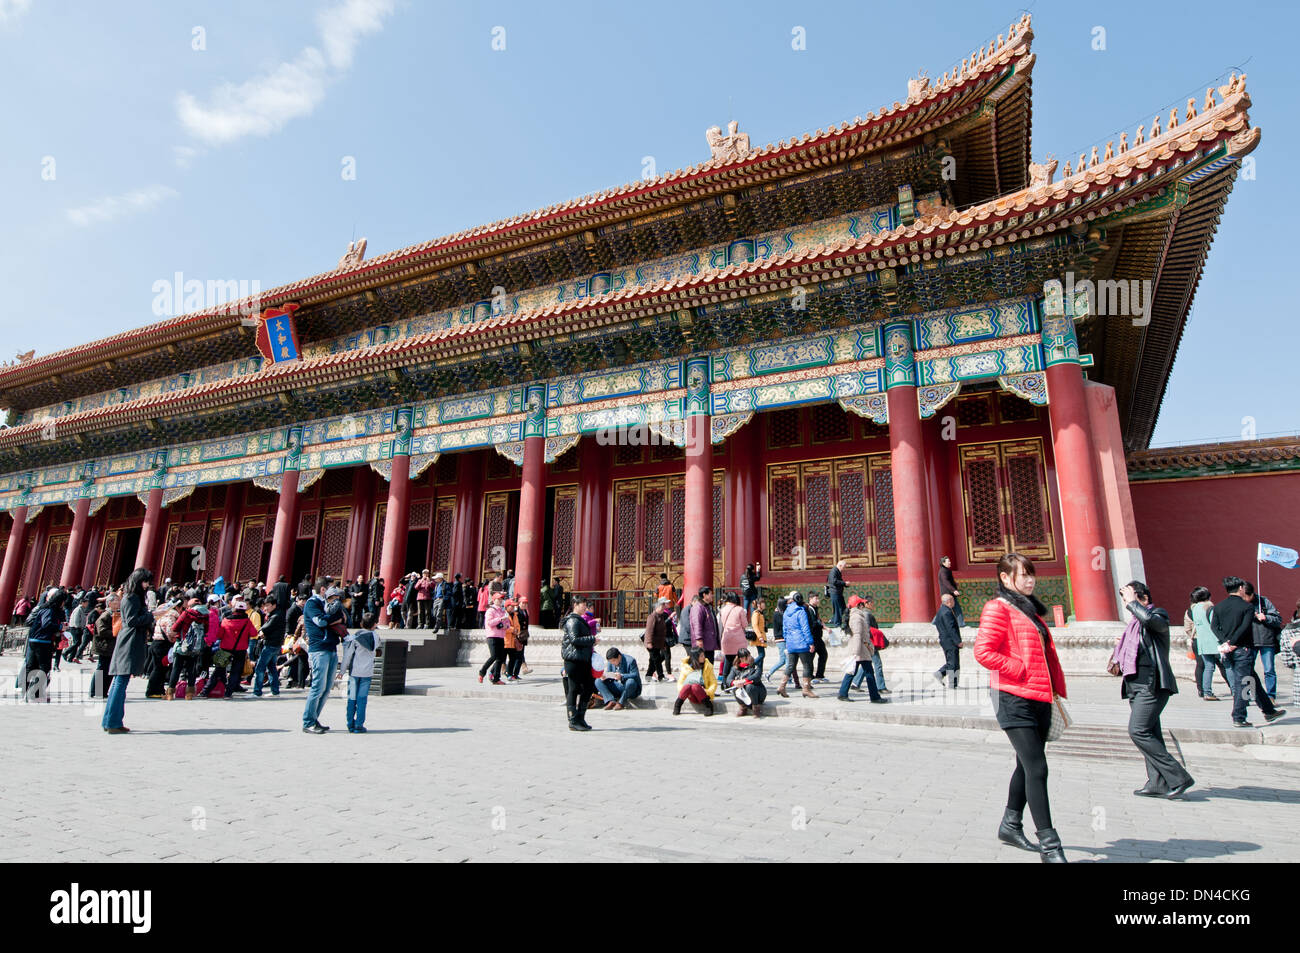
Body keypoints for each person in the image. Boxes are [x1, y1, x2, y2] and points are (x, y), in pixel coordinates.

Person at [974, 553, 1068, 863]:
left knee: (1025, 765)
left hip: (1039, 696)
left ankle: (1010, 825)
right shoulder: (997, 608)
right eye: (1022, 574)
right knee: (1038, 768)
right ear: (1004, 578)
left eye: (1031, 574)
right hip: (1012, 696)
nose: (1029, 580)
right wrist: (1019, 669)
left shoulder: (1030, 611)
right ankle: (1050, 845)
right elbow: (983, 652)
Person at [1114, 581, 1195, 799]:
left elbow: (1151, 622)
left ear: (1144, 599)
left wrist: (1132, 603)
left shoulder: (1158, 615)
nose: (1127, 605)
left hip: (1152, 684)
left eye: (1130, 599)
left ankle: (1178, 777)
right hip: (1135, 685)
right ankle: (1157, 782)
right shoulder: (1134, 625)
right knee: (1151, 733)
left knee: (1138, 730)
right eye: (1125, 601)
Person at [1212, 576, 1286, 729]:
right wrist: (1233, 643)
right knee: (1244, 683)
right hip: (1243, 649)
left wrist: (1225, 642)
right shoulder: (1246, 607)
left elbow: (1214, 627)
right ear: (1240, 589)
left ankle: (1268, 710)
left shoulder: (1218, 607)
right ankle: (1239, 716)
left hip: (1229, 650)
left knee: (1253, 681)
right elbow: (1245, 627)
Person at [103, 568, 154, 733]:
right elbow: (132, 620)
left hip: (128, 639)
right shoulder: (132, 597)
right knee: (121, 682)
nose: (147, 585)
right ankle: (113, 722)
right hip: (130, 640)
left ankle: (110, 721)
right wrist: (152, 615)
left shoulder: (130, 596)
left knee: (119, 681)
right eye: (146, 581)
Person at [302, 582, 346, 734]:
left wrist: (337, 618)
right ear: (323, 589)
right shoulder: (312, 604)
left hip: (331, 647)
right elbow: (320, 622)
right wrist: (336, 620)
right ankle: (308, 722)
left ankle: (314, 719)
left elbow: (345, 619)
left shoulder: (329, 605)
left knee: (327, 689)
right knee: (318, 686)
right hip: (319, 648)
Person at [19, 587, 68, 701]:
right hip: (42, 641)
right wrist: (61, 627)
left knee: (31, 667)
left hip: (34, 640)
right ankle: (32, 692)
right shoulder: (49, 610)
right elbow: (46, 624)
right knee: (44, 668)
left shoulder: (43, 608)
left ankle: (27, 693)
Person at [204, 598, 257, 698]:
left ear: (234, 609)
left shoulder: (226, 620)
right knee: (235, 672)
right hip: (240, 650)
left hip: (225, 648)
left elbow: (219, 635)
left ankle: (205, 691)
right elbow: (254, 633)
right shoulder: (247, 622)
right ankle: (228, 693)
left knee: (218, 670)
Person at [1185, 586, 1229, 700]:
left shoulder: (1191, 610)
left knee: (1204, 666)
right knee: (1225, 666)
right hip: (1214, 641)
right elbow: (1216, 625)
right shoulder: (1209, 607)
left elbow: (1187, 628)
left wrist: (1193, 636)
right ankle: (1234, 689)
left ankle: (1204, 691)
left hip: (1199, 641)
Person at [839, 595, 885, 702]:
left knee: (853, 672)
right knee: (867, 673)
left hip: (861, 649)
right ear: (858, 605)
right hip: (860, 649)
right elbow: (857, 635)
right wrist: (856, 652)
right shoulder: (856, 617)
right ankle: (874, 697)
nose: (863, 605)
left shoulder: (857, 616)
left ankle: (843, 693)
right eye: (862, 603)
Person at [560, 596, 597, 731]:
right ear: (575, 604)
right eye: (583, 604)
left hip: (583, 658)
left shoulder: (580, 620)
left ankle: (580, 717)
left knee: (588, 687)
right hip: (573, 659)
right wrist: (592, 639)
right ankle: (572, 720)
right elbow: (575, 639)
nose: (585, 607)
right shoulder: (572, 621)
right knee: (574, 689)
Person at [342, 612, 381, 733]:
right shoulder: (376, 637)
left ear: (361, 623)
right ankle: (359, 724)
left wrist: (342, 669)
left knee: (352, 698)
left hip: (354, 672)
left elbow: (348, 655)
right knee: (362, 699)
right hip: (367, 672)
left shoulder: (355, 638)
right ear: (375, 625)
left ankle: (350, 723)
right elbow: (377, 649)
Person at [1245, 582, 1283, 701]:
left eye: (1246, 596)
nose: (1244, 599)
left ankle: (1271, 696)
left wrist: (1266, 617)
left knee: (1269, 670)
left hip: (1267, 640)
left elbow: (1278, 619)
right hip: (1250, 641)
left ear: (1251, 594)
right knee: (1247, 669)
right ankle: (1248, 695)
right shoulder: (1241, 604)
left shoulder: (1264, 602)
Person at [777, 591, 816, 699]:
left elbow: (784, 630)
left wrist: (788, 640)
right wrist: (810, 642)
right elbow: (805, 628)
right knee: (807, 665)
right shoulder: (801, 611)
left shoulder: (785, 612)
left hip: (791, 643)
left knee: (790, 665)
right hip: (802, 643)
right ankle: (806, 689)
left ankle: (782, 686)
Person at [849, 594, 890, 695]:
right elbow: (867, 630)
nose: (873, 605)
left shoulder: (863, 614)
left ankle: (855, 683)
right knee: (877, 664)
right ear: (866, 603)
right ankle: (881, 686)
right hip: (870, 643)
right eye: (871, 603)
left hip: (867, 643)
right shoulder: (866, 614)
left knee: (866, 663)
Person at [253, 597, 286, 696]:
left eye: (267, 605)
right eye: (265, 605)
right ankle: (275, 691)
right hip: (275, 644)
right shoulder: (276, 614)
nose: (265, 608)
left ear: (274, 605)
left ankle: (257, 692)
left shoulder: (275, 616)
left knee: (260, 668)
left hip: (271, 644)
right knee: (271, 668)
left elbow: (265, 628)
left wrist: (261, 632)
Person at [673, 646, 716, 716]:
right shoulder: (686, 668)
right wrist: (683, 691)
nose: (704, 657)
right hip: (690, 695)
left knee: (695, 686)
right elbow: (680, 683)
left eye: (703, 655)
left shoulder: (708, 666)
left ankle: (708, 706)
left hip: (704, 694)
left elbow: (713, 682)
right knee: (687, 686)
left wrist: (708, 691)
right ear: (696, 657)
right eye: (701, 656)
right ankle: (677, 705)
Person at [932, 593, 963, 689]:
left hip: (945, 640)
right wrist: (958, 641)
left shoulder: (942, 611)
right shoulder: (947, 612)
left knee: (953, 662)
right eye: (953, 600)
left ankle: (953, 683)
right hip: (950, 641)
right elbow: (951, 629)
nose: (954, 602)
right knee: (952, 662)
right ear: (949, 601)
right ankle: (944, 677)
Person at [479, 591, 509, 684]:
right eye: (498, 599)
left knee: (500, 658)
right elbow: (489, 623)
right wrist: (500, 619)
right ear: (494, 600)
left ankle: (496, 678)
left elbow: (508, 623)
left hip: (501, 636)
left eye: (501, 599)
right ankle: (482, 671)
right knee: (494, 656)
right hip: (492, 636)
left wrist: (505, 626)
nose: (500, 601)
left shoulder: (503, 611)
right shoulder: (490, 610)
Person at [718, 592, 748, 686]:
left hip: (727, 638)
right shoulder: (739, 609)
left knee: (727, 660)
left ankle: (724, 683)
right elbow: (745, 624)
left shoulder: (723, 610)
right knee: (740, 661)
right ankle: (738, 681)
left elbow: (722, 623)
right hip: (738, 639)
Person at [727, 647, 766, 716]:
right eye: (747, 657)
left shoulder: (755, 666)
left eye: (749, 655)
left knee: (749, 686)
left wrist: (744, 680)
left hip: (757, 692)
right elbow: (728, 680)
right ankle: (743, 707)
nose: (749, 658)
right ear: (741, 659)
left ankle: (756, 707)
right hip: (744, 695)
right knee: (736, 687)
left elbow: (757, 676)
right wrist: (735, 682)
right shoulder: (735, 668)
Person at [643, 597, 672, 681]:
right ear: (658, 606)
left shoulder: (662, 616)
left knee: (653, 660)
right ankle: (661, 676)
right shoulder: (652, 617)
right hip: (652, 643)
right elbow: (649, 630)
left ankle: (648, 675)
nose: (664, 607)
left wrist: (663, 644)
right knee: (657, 659)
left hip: (658, 643)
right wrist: (649, 642)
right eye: (663, 605)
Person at [690, 586, 719, 664]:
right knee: (702, 665)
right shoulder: (698, 607)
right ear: (704, 595)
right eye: (710, 594)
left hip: (709, 642)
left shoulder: (707, 606)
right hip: (703, 643)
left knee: (709, 665)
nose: (712, 595)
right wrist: (699, 639)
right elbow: (697, 624)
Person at [938, 556, 967, 628]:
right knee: (956, 608)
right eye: (948, 561)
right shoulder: (943, 571)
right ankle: (962, 624)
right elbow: (946, 582)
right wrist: (953, 590)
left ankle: (935, 622)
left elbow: (949, 581)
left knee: (946, 608)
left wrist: (955, 584)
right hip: (948, 594)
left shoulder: (946, 570)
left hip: (949, 593)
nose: (950, 563)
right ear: (943, 563)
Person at [765, 597, 788, 684]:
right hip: (780, 639)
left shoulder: (780, 612)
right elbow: (783, 623)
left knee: (786, 660)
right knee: (784, 660)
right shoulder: (777, 614)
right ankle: (769, 673)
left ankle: (787, 677)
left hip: (782, 638)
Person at [807, 592, 828, 681]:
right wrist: (822, 626)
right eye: (816, 598)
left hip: (818, 637)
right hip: (813, 637)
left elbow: (818, 620)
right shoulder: (809, 610)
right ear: (810, 599)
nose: (818, 600)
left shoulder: (815, 609)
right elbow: (813, 623)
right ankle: (809, 676)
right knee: (810, 657)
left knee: (823, 655)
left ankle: (820, 675)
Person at [749, 596, 767, 674]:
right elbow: (755, 626)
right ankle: (751, 666)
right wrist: (760, 636)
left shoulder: (760, 613)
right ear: (759, 604)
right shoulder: (756, 613)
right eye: (763, 603)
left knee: (761, 655)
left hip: (762, 636)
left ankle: (759, 672)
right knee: (762, 655)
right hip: (758, 637)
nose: (764, 605)